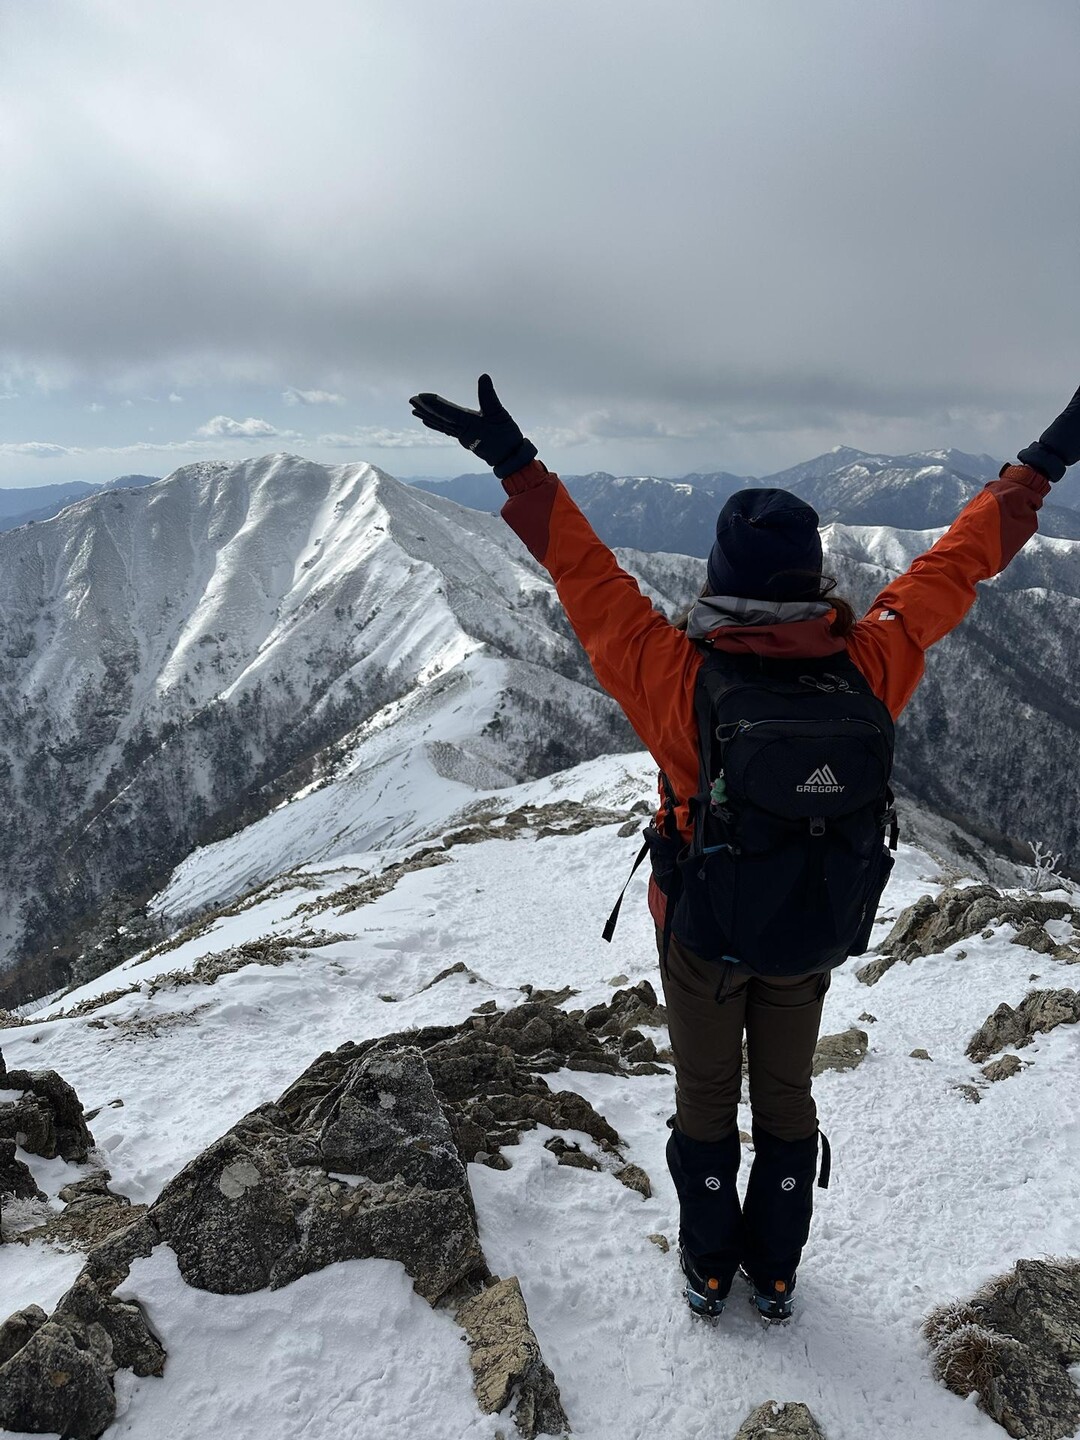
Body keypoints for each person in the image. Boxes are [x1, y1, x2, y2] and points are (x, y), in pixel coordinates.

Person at [409, 375, 1080, 1320]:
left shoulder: (675, 675)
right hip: (810, 928)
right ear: (814, 581)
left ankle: (709, 1264)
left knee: (706, 1098)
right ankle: (776, 1270)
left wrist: (516, 467)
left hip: (703, 935)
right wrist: (1043, 461)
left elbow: (587, 577)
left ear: (716, 580)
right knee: (788, 1099)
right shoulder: (869, 665)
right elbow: (953, 569)